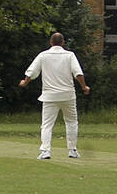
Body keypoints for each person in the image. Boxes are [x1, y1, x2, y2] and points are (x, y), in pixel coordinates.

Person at [19, 32, 89, 160]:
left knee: (46, 124)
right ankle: (72, 150)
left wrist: (24, 82)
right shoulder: (70, 55)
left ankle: (45, 151)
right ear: (62, 43)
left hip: (50, 96)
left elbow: (32, 72)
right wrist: (84, 87)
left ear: (51, 42)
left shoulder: (43, 55)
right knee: (71, 122)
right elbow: (78, 73)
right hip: (68, 95)